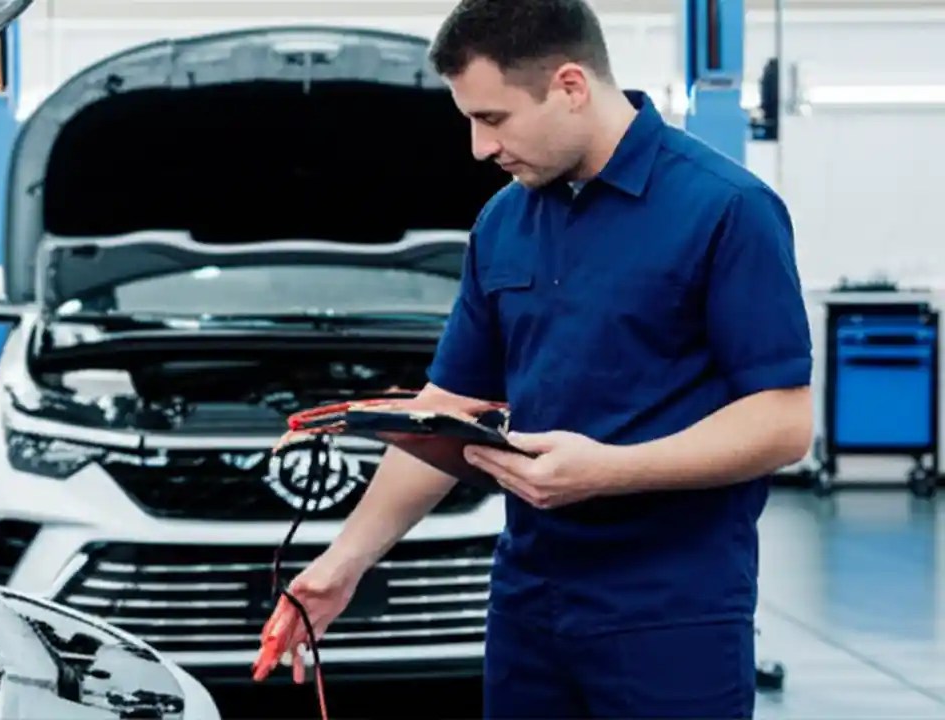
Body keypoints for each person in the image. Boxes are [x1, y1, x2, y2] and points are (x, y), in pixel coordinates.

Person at [252, 0, 815, 717]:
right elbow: (446, 412)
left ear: (571, 86)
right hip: (528, 602)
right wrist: (342, 563)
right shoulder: (503, 222)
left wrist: (609, 472)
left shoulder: (727, 209)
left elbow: (783, 424)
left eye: (493, 118)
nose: (479, 149)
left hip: (671, 609)